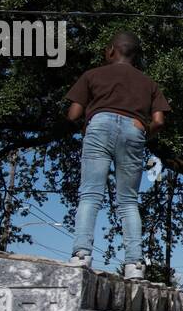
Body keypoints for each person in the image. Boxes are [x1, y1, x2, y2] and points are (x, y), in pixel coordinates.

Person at [65, 31, 171, 279]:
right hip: (134, 130)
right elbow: (159, 120)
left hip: (99, 126)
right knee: (128, 201)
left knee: (90, 193)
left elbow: (72, 114)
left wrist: (87, 122)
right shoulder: (149, 83)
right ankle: (134, 264)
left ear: (111, 50)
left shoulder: (92, 75)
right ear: (135, 54)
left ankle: (81, 254)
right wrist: (144, 130)